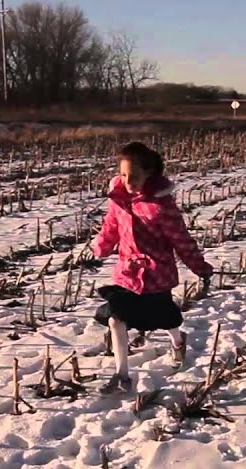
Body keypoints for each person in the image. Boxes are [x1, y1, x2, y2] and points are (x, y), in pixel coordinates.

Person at [92, 141, 214, 394]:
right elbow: (110, 228)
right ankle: (122, 374)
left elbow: (181, 240)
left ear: (150, 173)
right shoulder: (119, 200)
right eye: (124, 175)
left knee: (165, 319)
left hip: (156, 273)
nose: (128, 181)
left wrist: (199, 267)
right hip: (127, 271)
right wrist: (101, 247)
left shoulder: (162, 207)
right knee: (116, 318)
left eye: (134, 176)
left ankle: (178, 342)